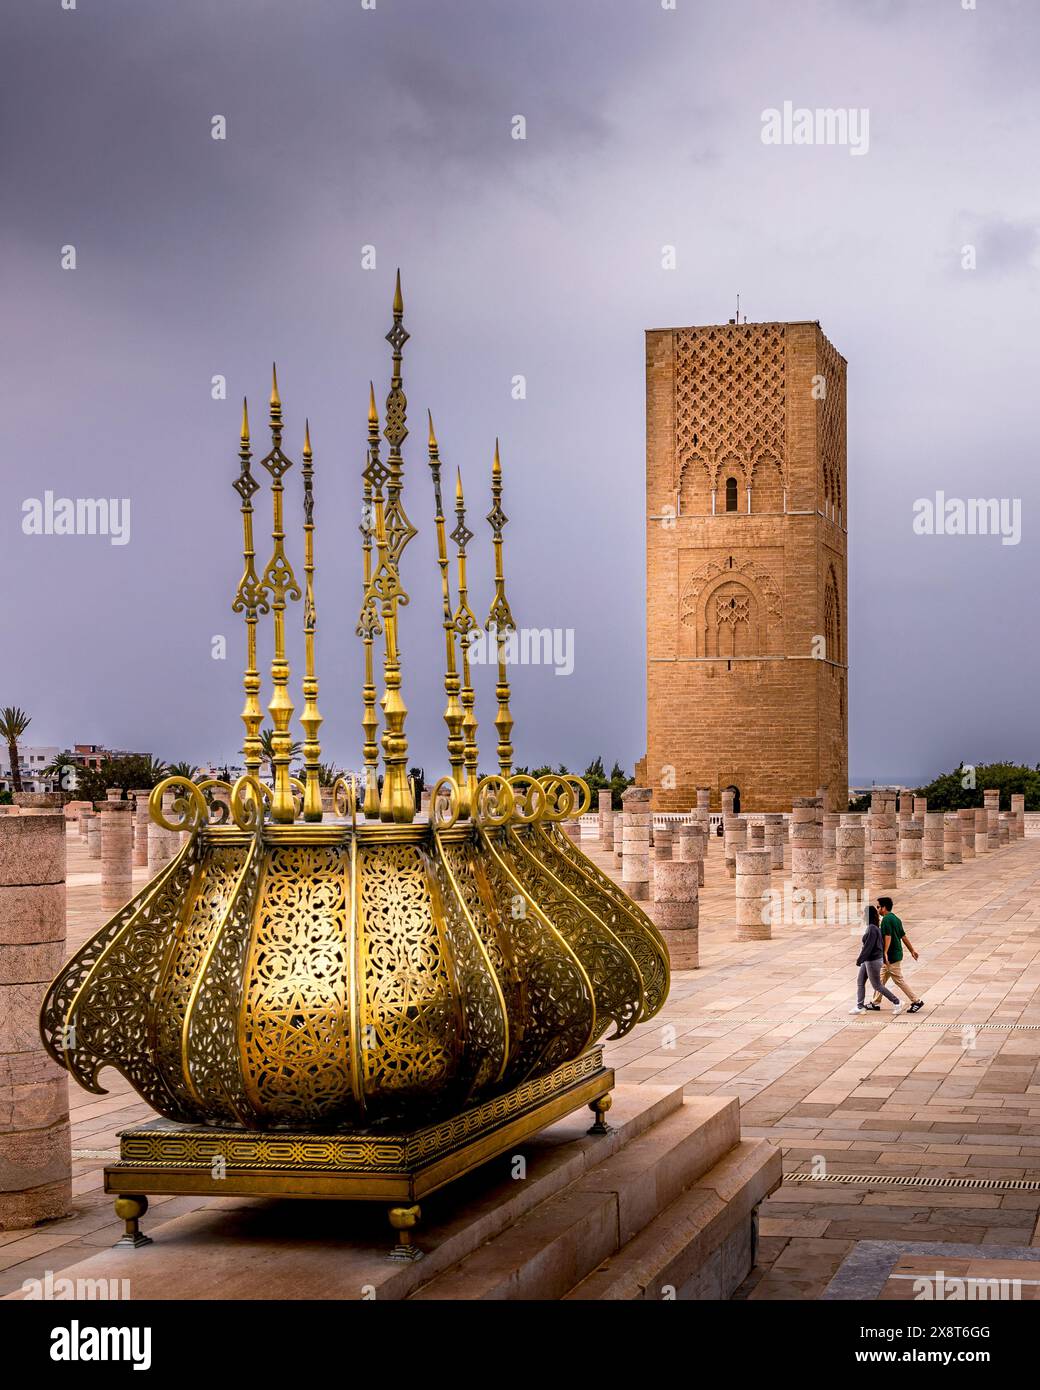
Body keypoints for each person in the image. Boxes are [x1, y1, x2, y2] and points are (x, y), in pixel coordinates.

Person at [871, 896, 924, 1013]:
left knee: (898, 980)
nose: (877, 909)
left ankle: (916, 1001)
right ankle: (875, 1002)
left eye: (878, 906)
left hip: (891, 956)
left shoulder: (886, 920)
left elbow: (888, 937)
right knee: (880, 979)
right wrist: (912, 950)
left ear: (884, 908)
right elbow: (903, 936)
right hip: (896, 954)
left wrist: (884, 953)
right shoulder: (896, 918)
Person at [850, 905, 901, 1015]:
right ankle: (860, 1006)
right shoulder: (873, 927)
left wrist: (860, 959)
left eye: (864, 914)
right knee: (860, 981)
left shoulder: (872, 928)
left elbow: (869, 946)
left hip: (872, 960)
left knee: (877, 985)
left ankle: (897, 1002)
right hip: (868, 960)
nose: (863, 916)